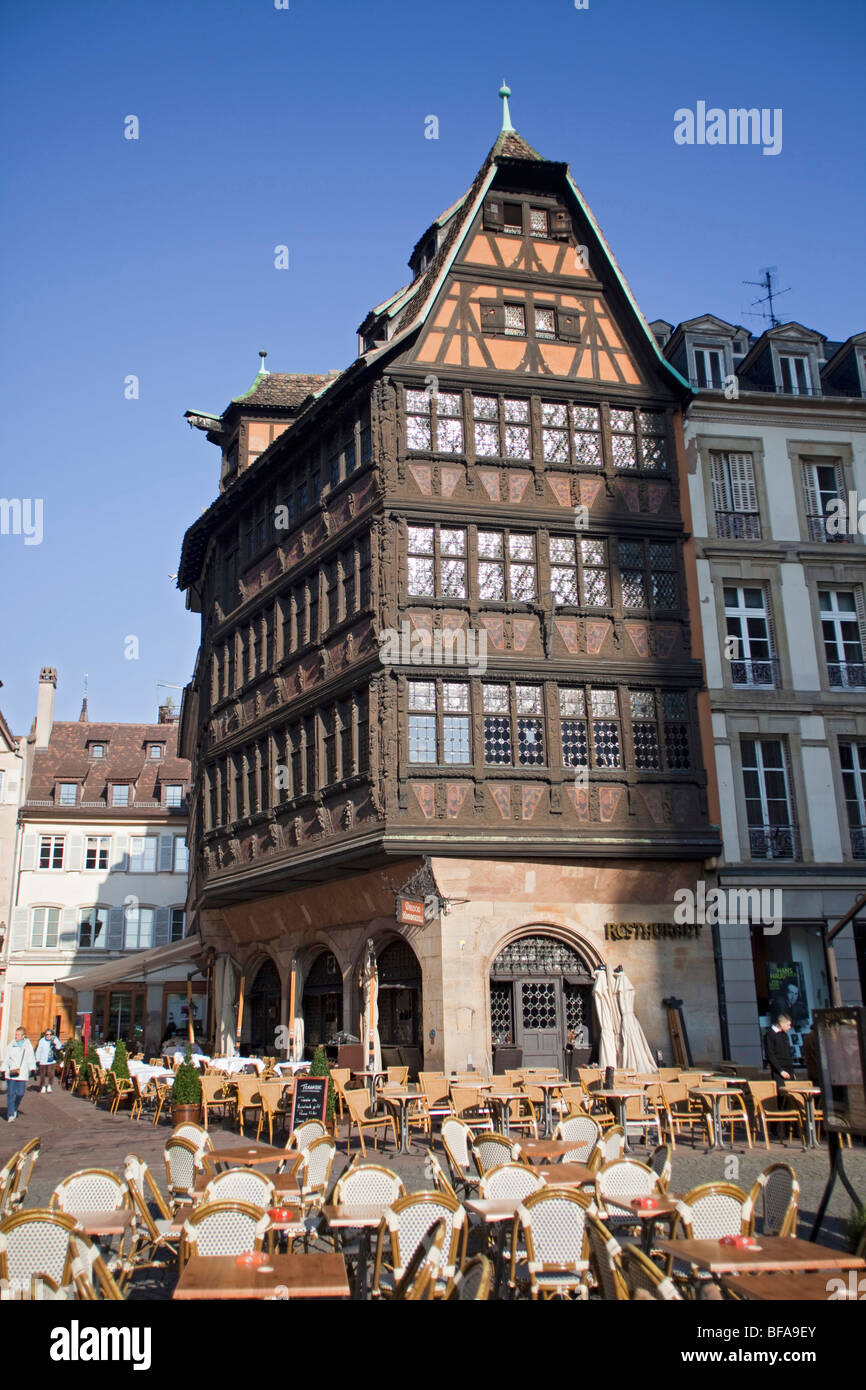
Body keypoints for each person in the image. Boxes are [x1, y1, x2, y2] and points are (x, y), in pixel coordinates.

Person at [3, 1026, 37, 1122]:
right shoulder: (11, 1045)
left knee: (20, 1093)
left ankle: (14, 1108)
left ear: (23, 1036)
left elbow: (31, 1058)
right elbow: (6, 1059)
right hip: (11, 1073)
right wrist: (3, 1070)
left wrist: (33, 1069)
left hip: (22, 1073)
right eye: (16, 1034)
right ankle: (10, 1115)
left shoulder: (28, 1046)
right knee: (10, 1093)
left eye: (18, 1034)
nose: (16, 1036)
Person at [764, 1013, 795, 1090]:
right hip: (778, 1070)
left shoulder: (784, 1035)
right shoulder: (770, 1034)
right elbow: (770, 1054)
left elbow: (788, 1053)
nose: (789, 1027)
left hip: (789, 1069)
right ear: (781, 1024)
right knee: (782, 1093)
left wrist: (792, 1072)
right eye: (788, 1025)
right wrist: (780, 1070)